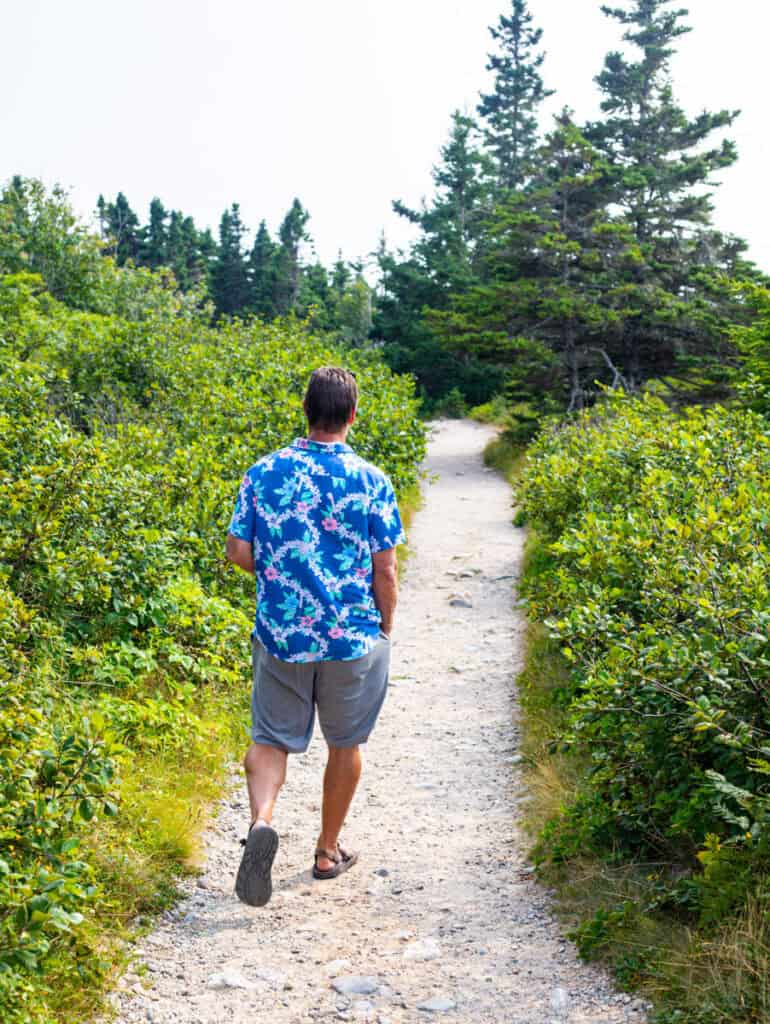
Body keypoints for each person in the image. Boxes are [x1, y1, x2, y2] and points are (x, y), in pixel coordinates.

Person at [225, 366, 405, 907]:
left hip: (281, 633)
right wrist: (385, 625)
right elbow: (386, 571)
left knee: (270, 737)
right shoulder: (371, 480)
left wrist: (282, 576)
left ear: (305, 411)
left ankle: (261, 823)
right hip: (351, 637)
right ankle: (327, 851)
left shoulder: (263, 472)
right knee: (344, 743)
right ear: (352, 415)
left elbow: (237, 551)